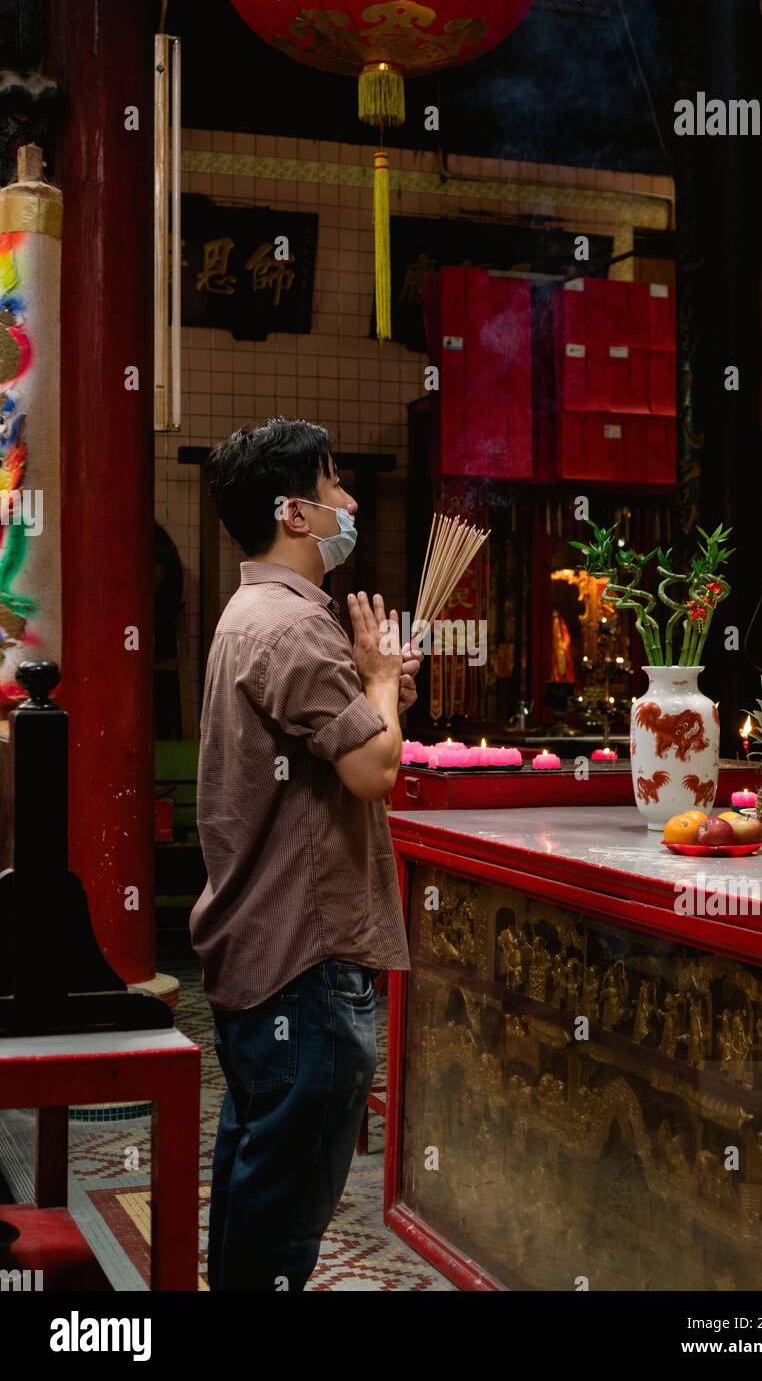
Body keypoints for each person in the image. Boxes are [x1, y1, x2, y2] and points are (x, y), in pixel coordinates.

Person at [190, 417, 419, 1291]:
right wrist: (379, 684)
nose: (351, 503)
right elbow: (373, 769)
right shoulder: (292, 628)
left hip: (262, 957)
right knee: (284, 1220)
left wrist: (375, 686)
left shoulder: (252, 614)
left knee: (256, 1192)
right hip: (306, 961)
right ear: (293, 512)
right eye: (334, 487)